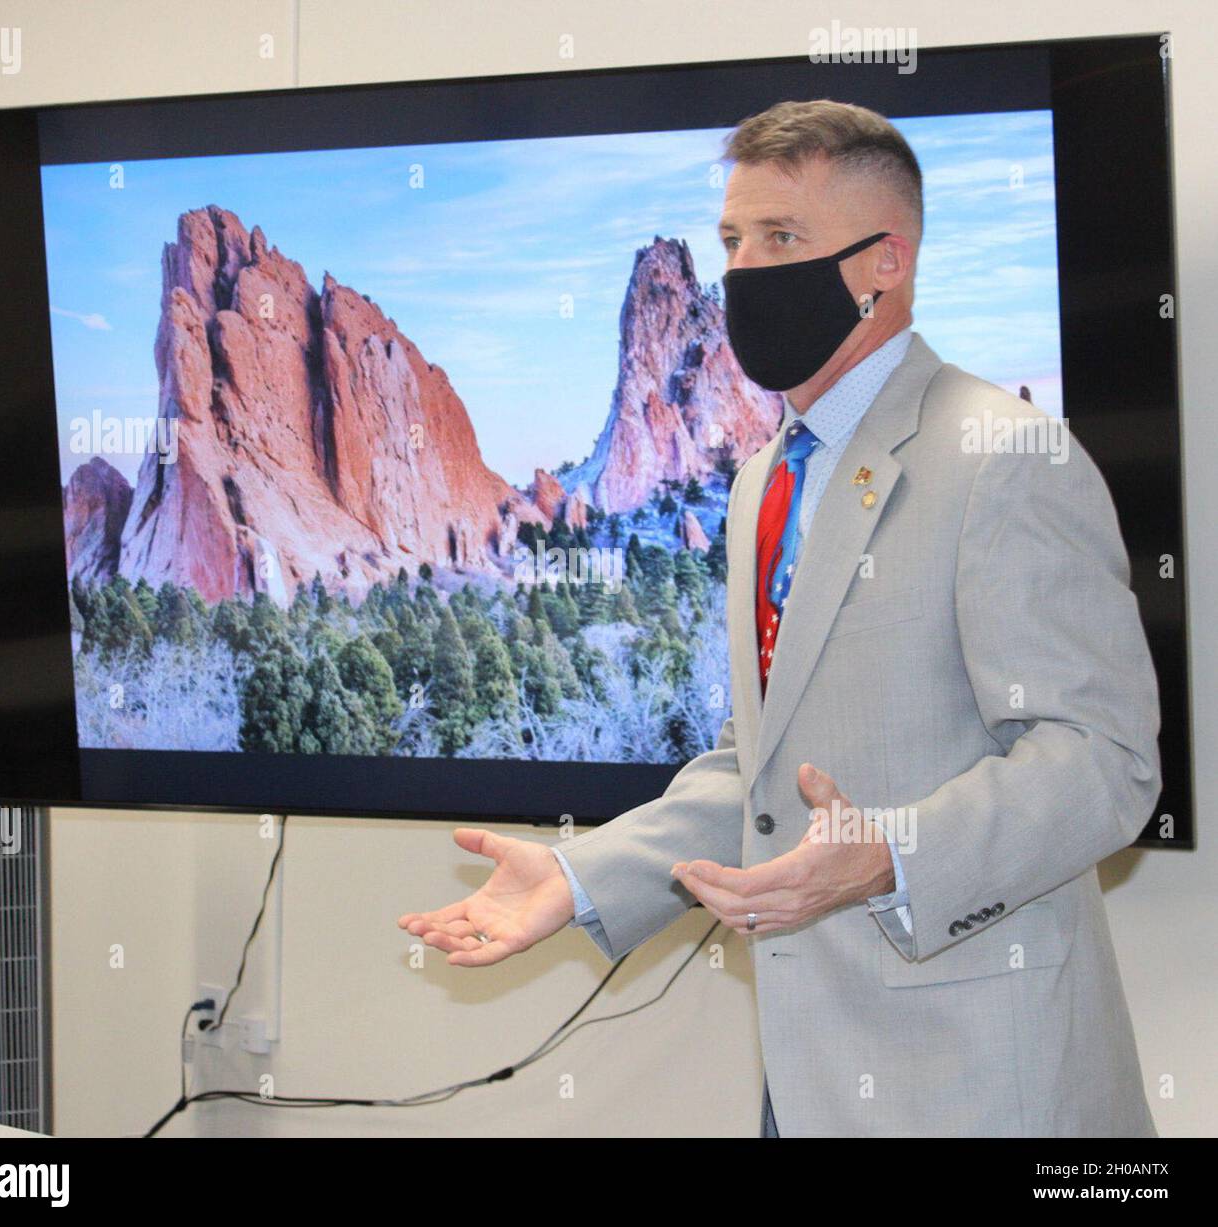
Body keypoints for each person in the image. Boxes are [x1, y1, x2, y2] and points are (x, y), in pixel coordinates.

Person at [399, 99, 1160, 1138]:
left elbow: (1102, 761)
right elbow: (753, 762)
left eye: (782, 238)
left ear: (883, 263)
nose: (745, 271)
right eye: (732, 241)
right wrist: (584, 877)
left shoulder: (1006, 460)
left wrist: (888, 854)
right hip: (805, 1085)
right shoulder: (766, 479)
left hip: (982, 1088)